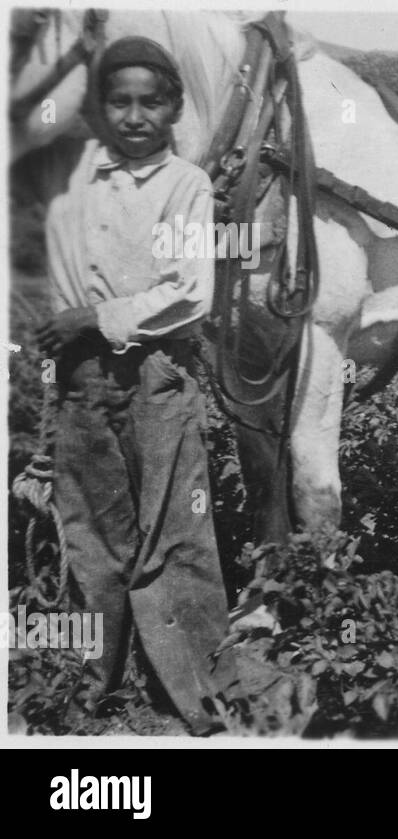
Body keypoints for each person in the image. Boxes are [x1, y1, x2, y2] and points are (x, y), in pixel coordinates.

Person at [36, 36, 234, 735]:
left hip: (155, 375)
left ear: (175, 107)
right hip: (82, 379)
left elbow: (189, 294)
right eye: (118, 102)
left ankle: (197, 691)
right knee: (93, 534)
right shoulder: (81, 182)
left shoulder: (186, 185)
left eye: (151, 102)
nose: (134, 116)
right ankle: (96, 680)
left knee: (174, 530)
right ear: (99, 109)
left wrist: (96, 315)